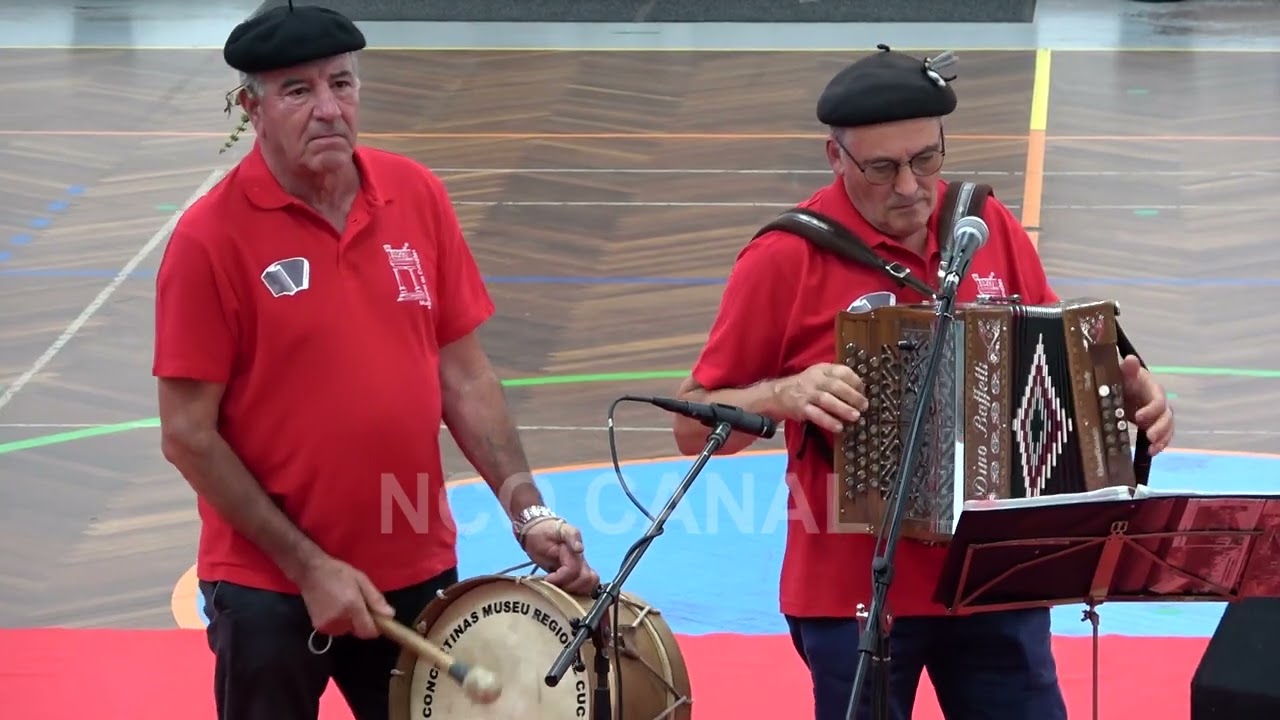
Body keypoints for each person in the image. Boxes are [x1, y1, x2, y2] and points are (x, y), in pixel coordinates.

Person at [671, 46, 1175, 720]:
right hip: (855, 597)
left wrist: (1129, 403)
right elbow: (690, 423)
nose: (909, 186)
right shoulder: (785, 257)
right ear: (835, 158)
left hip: (996, 578)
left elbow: (1062, 365)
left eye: (925, 160)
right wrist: (779, 395)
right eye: (881, 168)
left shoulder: (986, 222)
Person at [152, 4, 600, 720]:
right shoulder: (208, 239)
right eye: (298, 91)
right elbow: (187, 434)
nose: (328, 108)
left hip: (414, 569)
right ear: (252, 107)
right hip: (268, 588)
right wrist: (309, 567)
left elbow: (465, 377)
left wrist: (528, 510)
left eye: (341, 84)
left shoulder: (416, 194)